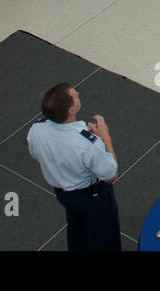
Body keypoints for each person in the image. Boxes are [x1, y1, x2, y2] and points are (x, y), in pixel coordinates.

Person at [26, 82, 119, 252]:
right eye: (75, 96)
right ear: (71, 111)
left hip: (64, 193)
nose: (77, 93)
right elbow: (111, 175)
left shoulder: (36, 130)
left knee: (77, 230)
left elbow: (36, 155)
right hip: (92, 197)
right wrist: (105, 137)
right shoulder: (87, 144)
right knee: (104, 238)